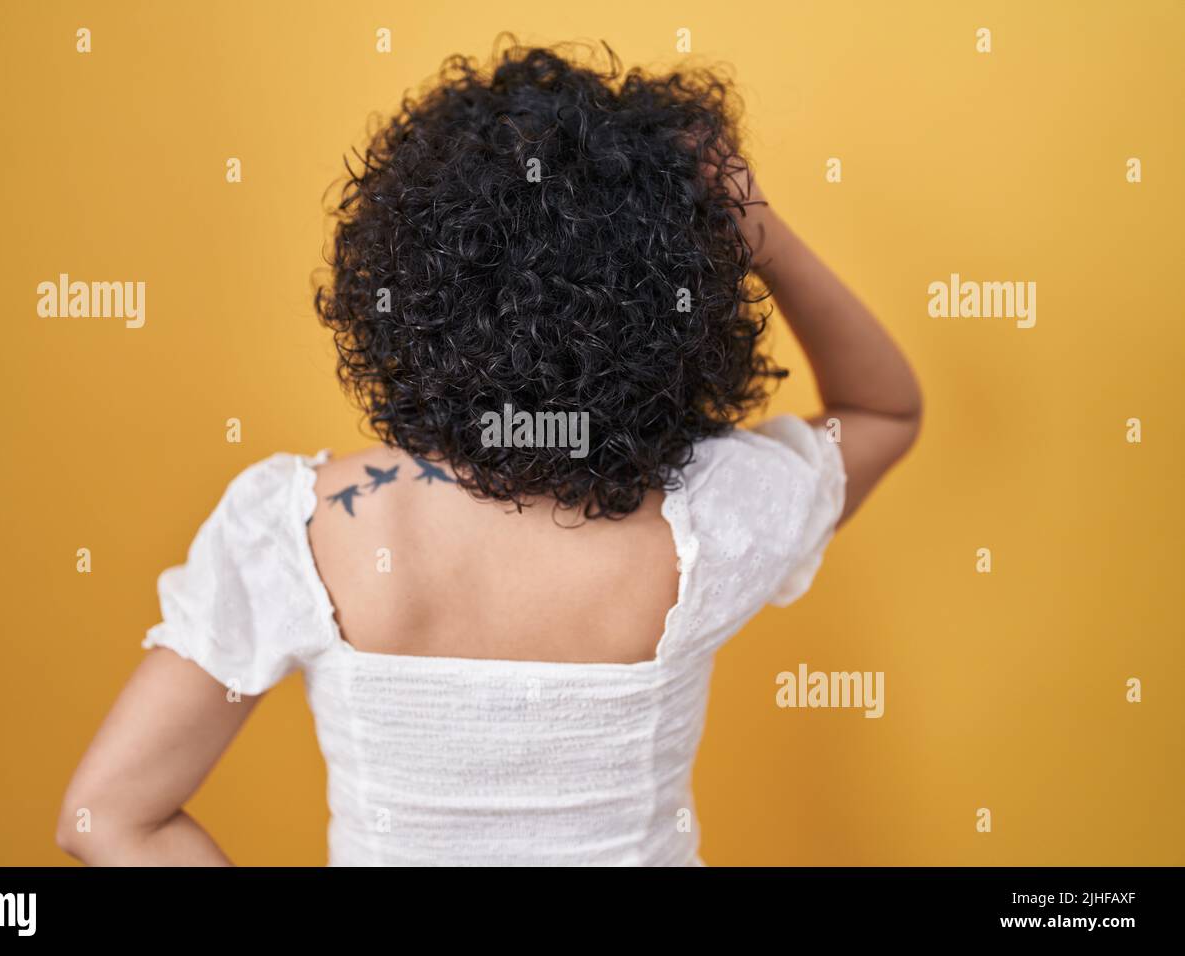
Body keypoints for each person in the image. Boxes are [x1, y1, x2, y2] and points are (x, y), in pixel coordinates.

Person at [57, 42, 921, 866]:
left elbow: (108, 819)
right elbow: (880, 409)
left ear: (403, 281)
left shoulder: (303, 528)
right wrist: (754, 224)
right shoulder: (711, 518)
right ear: (676, 310)